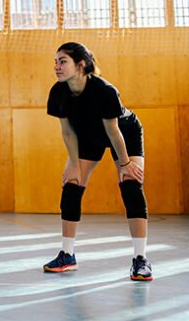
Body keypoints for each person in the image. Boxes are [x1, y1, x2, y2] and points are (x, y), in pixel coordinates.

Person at [44, 42, 152, 281]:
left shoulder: (104, 90)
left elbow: (113, 132)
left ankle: (140, 259)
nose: (57, 66)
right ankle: (67, 254)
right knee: (72, 183)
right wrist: (73, 162)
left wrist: (125, 165)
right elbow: (68, 132)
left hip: (124, 133)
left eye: (63, 61)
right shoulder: (58, 91)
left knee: (130, 184)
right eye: (56, 61)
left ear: (80, 65)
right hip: (88, 135)